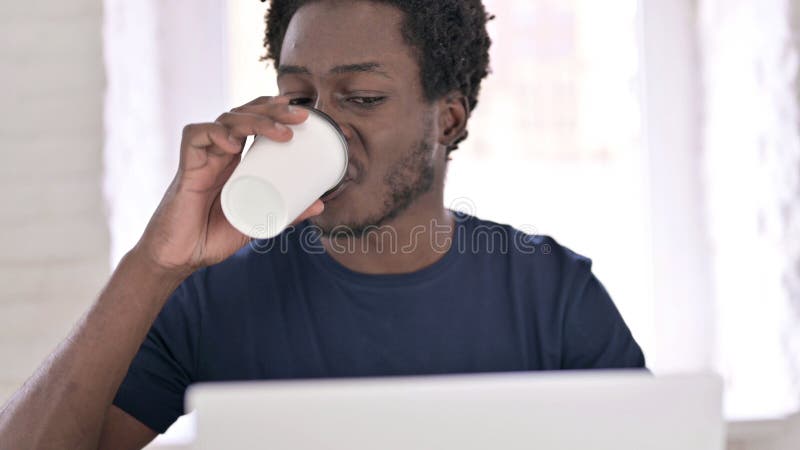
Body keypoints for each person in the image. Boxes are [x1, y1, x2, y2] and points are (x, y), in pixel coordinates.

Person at [0, 0, 646, 448]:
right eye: (300, 98)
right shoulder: (211, 294)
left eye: (362, 98)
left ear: (445, 120)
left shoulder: (551, 294)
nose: (321, 127)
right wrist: (155, 265)